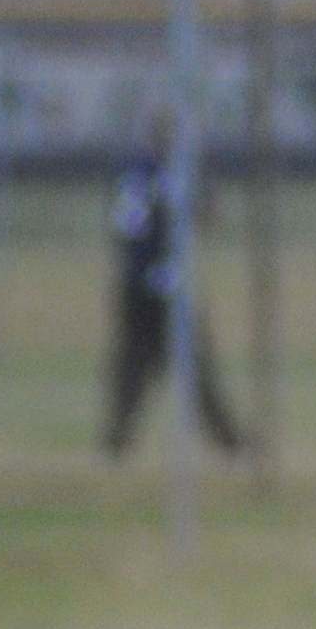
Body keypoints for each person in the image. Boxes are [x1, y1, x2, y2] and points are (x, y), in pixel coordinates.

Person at [101, 137, 246, 458]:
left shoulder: (135, 168)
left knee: (135, 366)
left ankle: (115, 442)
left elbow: (123, 228)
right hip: (163, 282)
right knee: (186, 366)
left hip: (136, 282)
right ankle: (230, 441)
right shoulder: (170, 173)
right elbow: (205, 214)